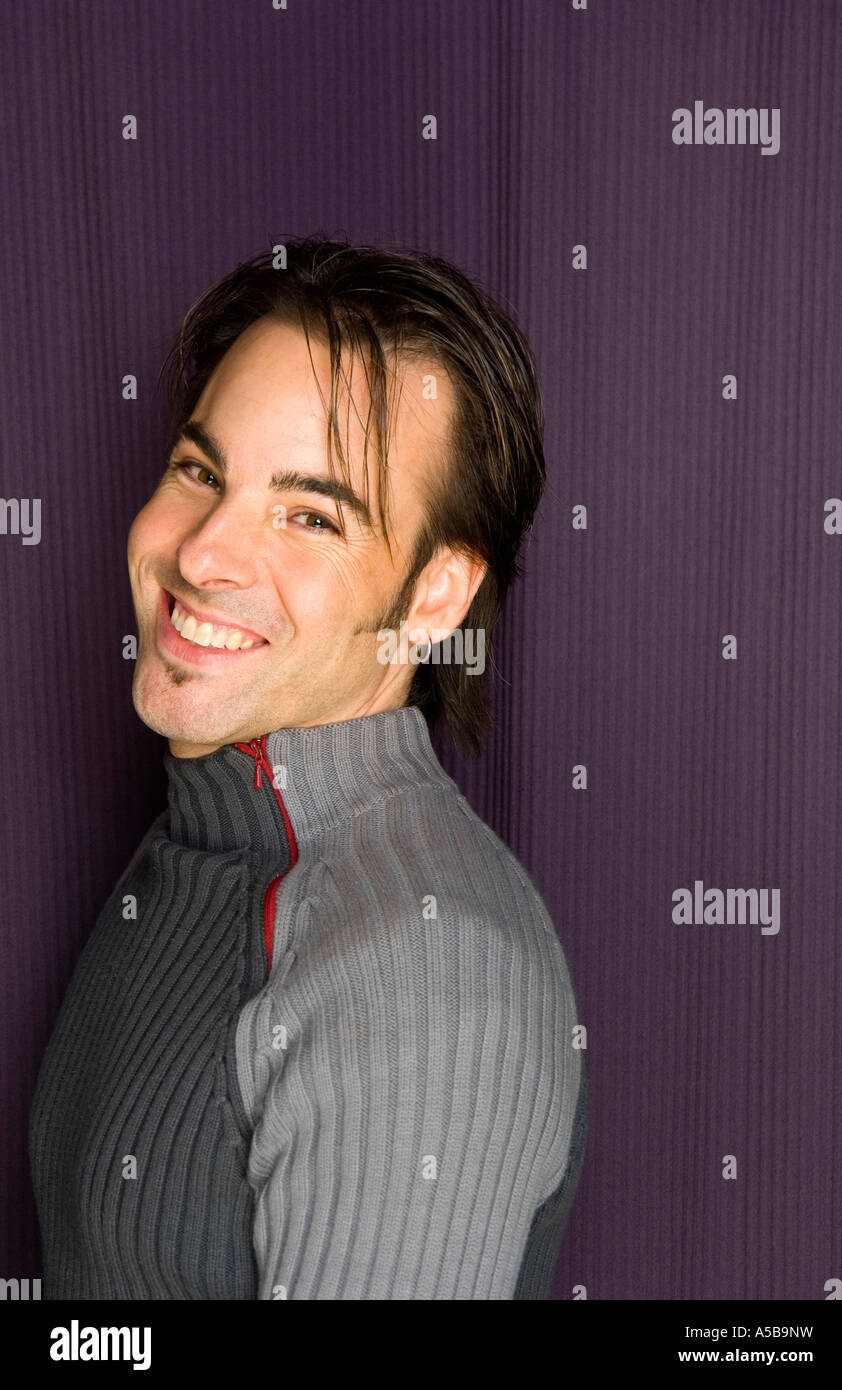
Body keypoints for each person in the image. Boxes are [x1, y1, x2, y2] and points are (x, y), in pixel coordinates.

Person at [29, 235, 587, 1299]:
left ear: (433, 598)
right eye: (201, 471)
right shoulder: (206, 829)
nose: (198, 555)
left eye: (308, 515)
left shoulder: (423, 973)